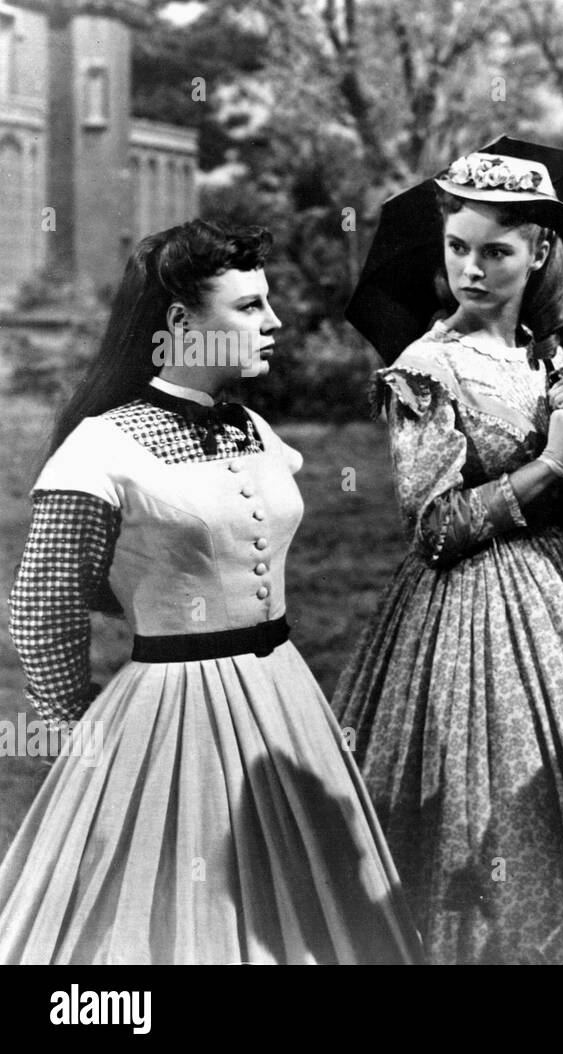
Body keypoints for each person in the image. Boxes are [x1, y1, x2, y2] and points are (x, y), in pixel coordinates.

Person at [0, 220, 422, 964]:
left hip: (287, 700)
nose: (275, 322)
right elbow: (43, 603)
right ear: (180, 323)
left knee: (310, 904)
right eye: (250, 307)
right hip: (170, 708)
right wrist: (78, 730)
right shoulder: (101, 447)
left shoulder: (252, 429)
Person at [331, 152, 563, 965]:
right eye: (458, 247)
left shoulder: (549, 358)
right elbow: (432, 528)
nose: (471, 267)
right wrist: (552, 461)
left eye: (495, 252)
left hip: (556, 593)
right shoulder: (426, 368)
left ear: (538, 253)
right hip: (462, 611)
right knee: (483, 800)